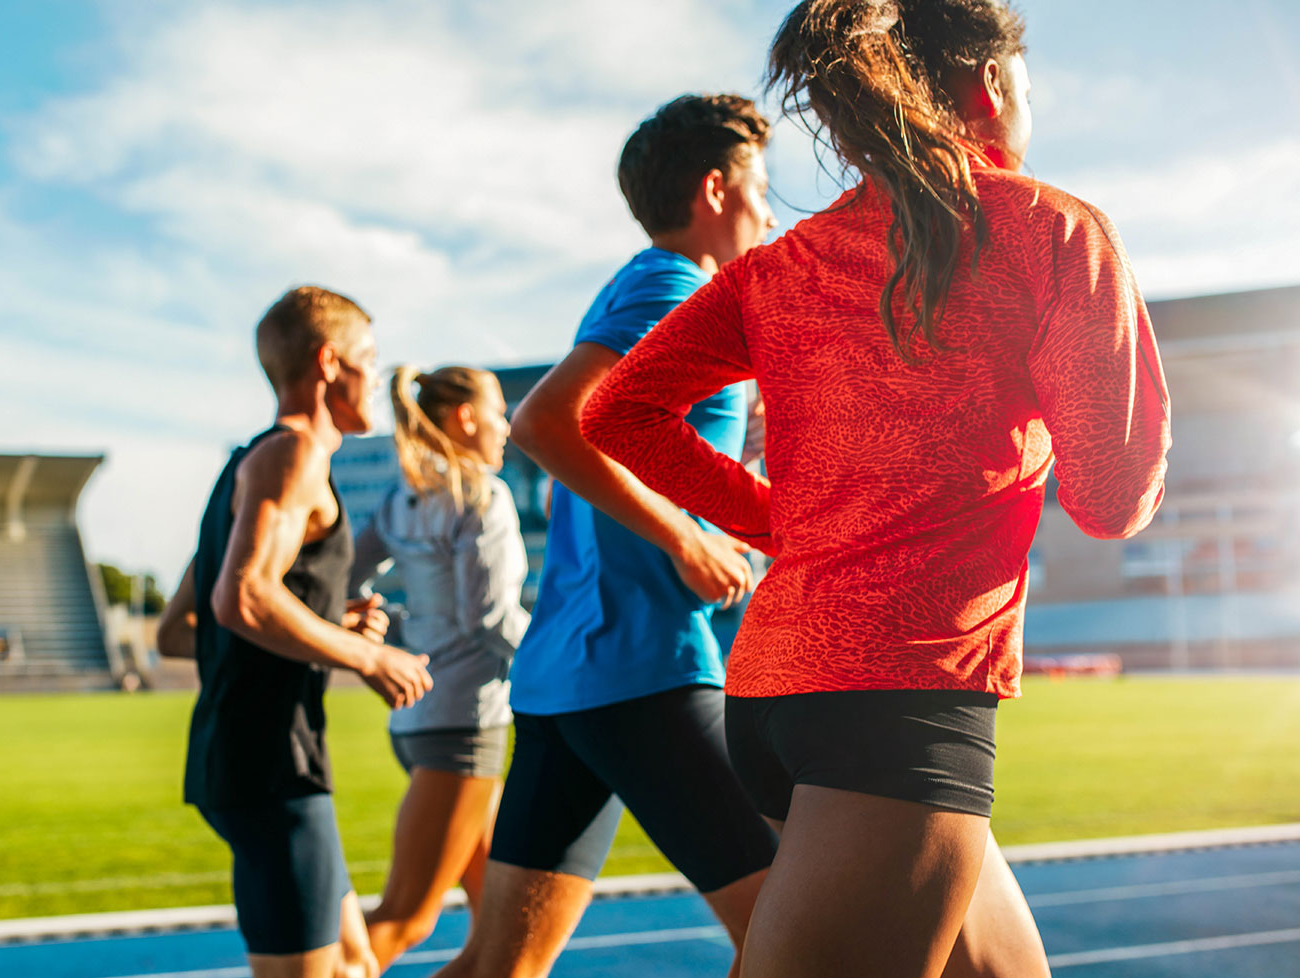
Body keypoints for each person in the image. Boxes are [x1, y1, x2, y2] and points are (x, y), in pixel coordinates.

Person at [580, 3, 1171, 976]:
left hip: (773, 690)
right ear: (991, 89)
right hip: (897, 699)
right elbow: (1111, 501)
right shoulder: (1052, 230)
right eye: (1026, 90)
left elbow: (618, 414)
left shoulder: (779, 265)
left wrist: (779, 523)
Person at [432, 94, 780, 978]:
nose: (771, 215)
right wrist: (686, 541)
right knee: (796, 939)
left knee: (493, 969)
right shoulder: (675, 281)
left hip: (569, 680)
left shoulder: (646, 285)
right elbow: (546, 423)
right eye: (761, 190)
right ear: (714, 189)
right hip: (643, 665)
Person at [156, 286, 434, 978]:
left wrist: (325, 622)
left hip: (265, 758)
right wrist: (367, 655)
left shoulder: (243, 466)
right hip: (267, 762)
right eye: (369, 357)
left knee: (354, 964)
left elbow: (178, 629)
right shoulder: (296, 454)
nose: (377, 374)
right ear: (329, 362)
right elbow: (243, 598)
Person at [350, 365, 531, 969]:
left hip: (416, 723)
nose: (507, 426)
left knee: (501, 924)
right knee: (406, 919)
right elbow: (491, 619)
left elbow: (345, 578)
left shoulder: (403, 499)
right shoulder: (483, 495)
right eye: (500, 411)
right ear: (466, 417)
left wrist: (393, 628)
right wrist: (554, 664)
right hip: (463, 727)